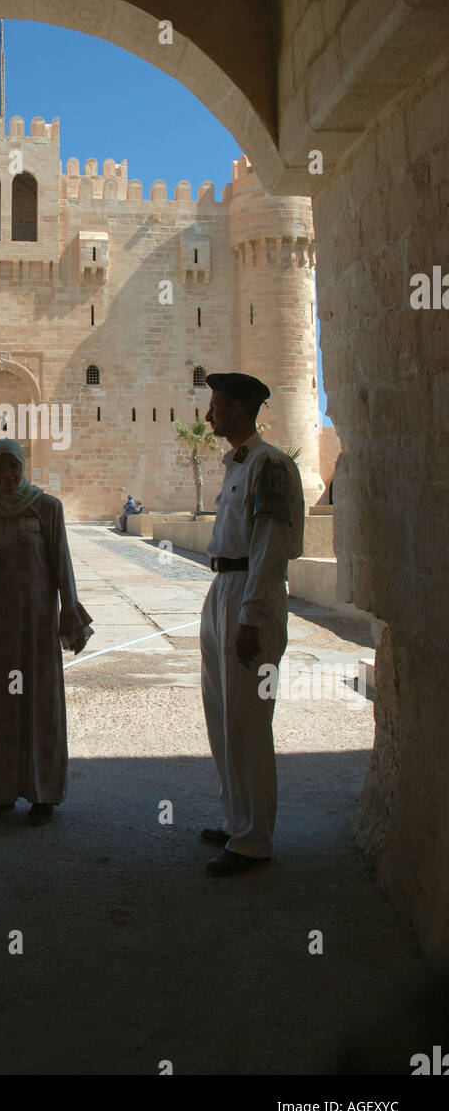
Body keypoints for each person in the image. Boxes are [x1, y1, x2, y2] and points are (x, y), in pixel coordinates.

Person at [0, 438, 94, 825]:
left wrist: (71, 616)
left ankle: (42, 794)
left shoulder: (47, 509)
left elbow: (62, 566)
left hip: (36, 629)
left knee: (39, 706)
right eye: (0, 468)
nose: (8, 475)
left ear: (23, 466)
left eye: (14, 467)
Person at [198, 373, 304, 876]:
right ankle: (236, 820)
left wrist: (252, 616)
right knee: (222, 715)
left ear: (239, 408)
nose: (208, 415)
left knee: (248, 722)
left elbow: (271, 548)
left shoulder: (270, 466)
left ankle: (255, 839)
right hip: (223, 589)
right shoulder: (237, 465)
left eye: (216, 405)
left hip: (248, 596)